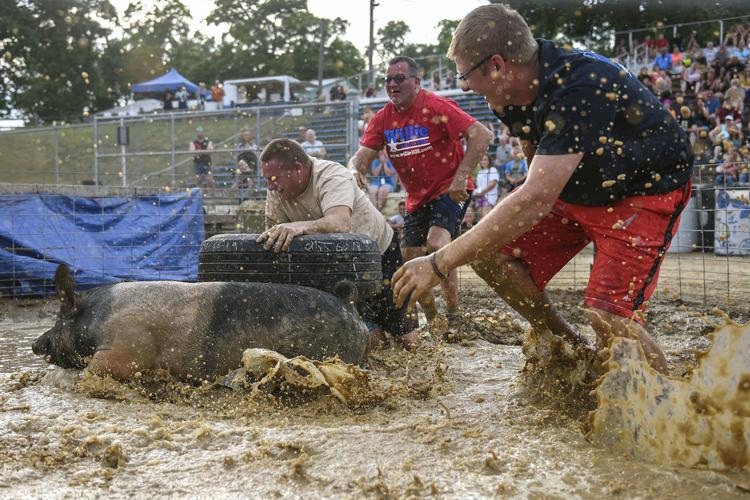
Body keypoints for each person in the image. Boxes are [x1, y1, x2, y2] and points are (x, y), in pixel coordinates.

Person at [392, 4, 693, 375]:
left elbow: (536, 196)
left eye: (465, 75)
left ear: (499, 65)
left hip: (643, 193)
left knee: (609, 318)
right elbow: (534, 160)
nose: (464, 86)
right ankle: (569, 346)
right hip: (576, 188)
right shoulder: (508, 93)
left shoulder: (579, 84)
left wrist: (438, 262)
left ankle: (672, 411)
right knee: (491, 256)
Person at [348, 55, 493, 327]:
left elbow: (482, 134)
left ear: (416, 82)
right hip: (416, 198)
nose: (392, 84)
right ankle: (434, 320)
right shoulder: (382, 119)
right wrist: (355, 169)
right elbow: (362, 156)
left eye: (399, 78)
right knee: (410, 259)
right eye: (388, 80)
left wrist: (461, 177)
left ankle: (453, 314)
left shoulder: (435, 105)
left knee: (437, 244)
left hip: (449, 189)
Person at [256, 138, 419, 349]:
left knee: (407, 340)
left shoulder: (332, 175)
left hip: (379, 255)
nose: (270, 186)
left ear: (297, 169)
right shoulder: (275, 191)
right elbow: (275, 236)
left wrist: (299, 226)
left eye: (275, 178)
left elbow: (340, 223)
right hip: (335, 265)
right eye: (266, 179)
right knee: (370, 340)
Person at [473, 153, 501, 219]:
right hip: (480, 197)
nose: (483, 161)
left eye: (485, 160)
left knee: (486, 217)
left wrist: (482, 192)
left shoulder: (492, 169)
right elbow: (478, 186)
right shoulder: (480, 172)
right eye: (482, 160)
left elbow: (493, 183)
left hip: (489, 197)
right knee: (480, 217)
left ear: (489, 161)